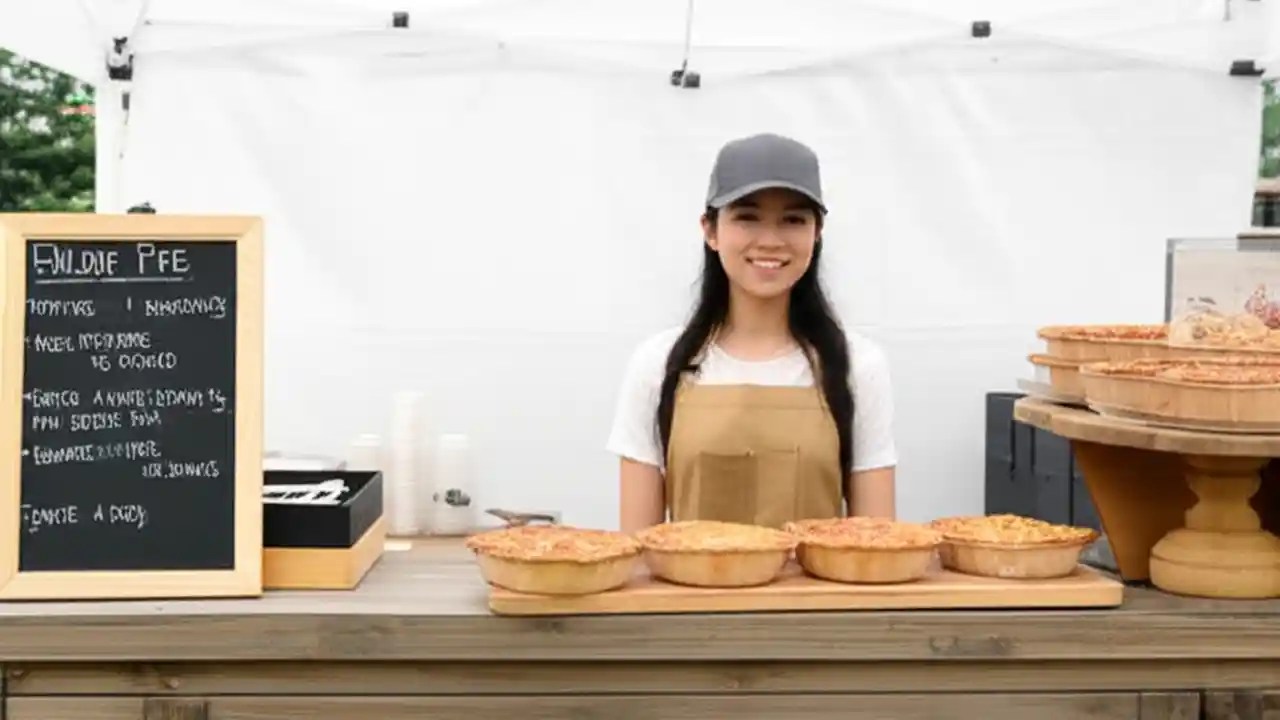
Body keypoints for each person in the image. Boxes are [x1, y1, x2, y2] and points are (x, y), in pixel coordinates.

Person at [606, 132, 897, 533]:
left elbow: (876, 548)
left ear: (818, 232)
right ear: (710, 230)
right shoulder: (659, 364)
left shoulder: (857, 366)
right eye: (747, 217)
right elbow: (637, 552)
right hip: (690, 597)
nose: (771, 240)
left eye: (793, 219)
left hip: (817, 598)